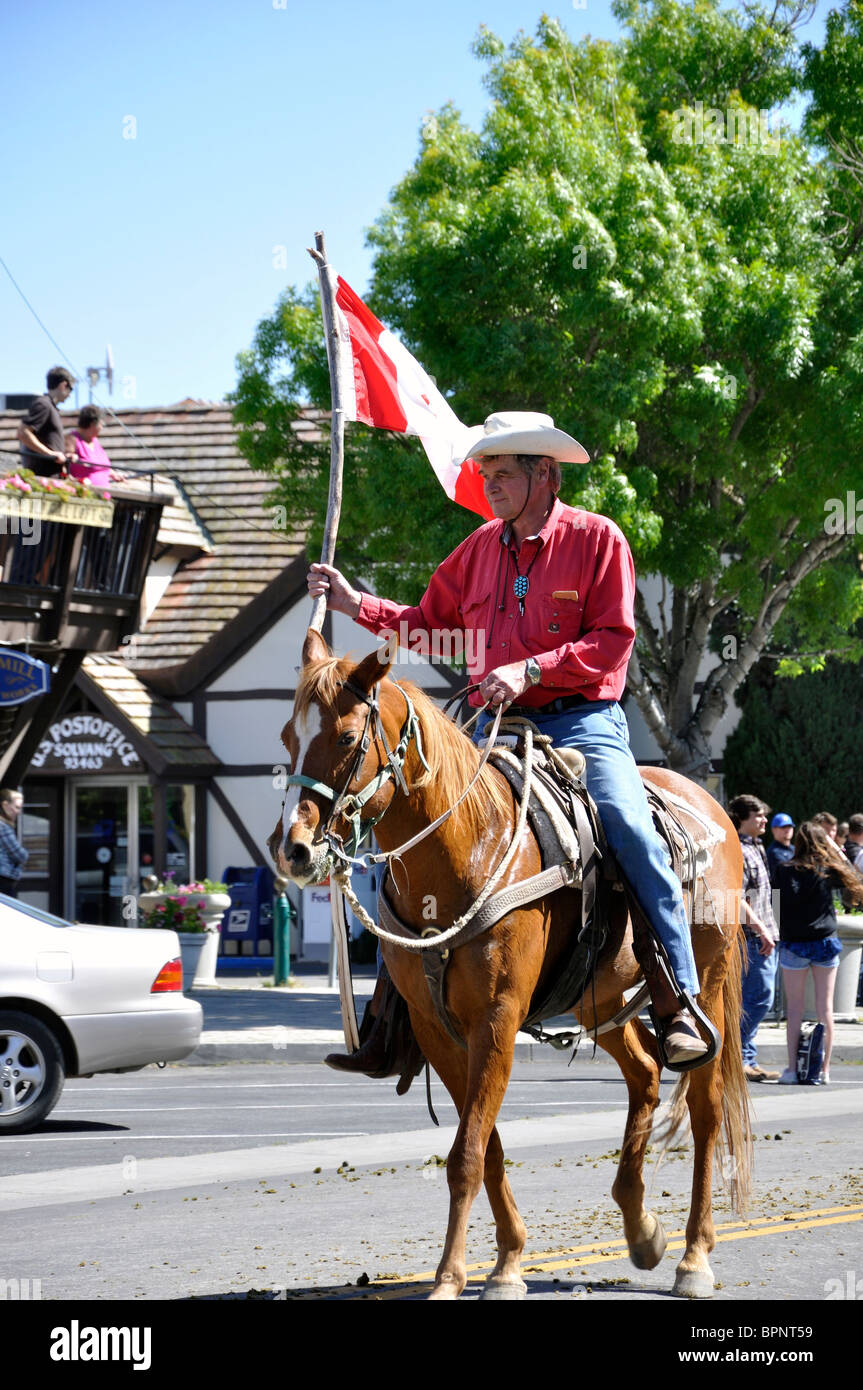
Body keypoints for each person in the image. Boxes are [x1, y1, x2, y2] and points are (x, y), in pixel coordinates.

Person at [309, 410, 711, 1071]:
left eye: (502, 472)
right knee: (416, 818)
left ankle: (674, 1002)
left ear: (545, 474)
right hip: (486, 722)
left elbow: (612, 640)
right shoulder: (474, 551)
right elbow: (425, 624)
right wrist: (359, 607)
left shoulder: (597, 539)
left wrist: (530, 667)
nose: (489, 484)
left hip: (580, 720)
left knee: (628, 830)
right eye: (484, 472)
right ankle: (393, 1020)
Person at [773, 821, 863, 1085]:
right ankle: (824, 1070)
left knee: (796, 1010)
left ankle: (791, 1069)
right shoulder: (828, 870)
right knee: (826, 1009)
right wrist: (836, 848)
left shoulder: (782, 869)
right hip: (824, 941)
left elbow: (775, 905)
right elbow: (854, 876)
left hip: (793, 943)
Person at [728, 794, 779, 1082]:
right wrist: (761, 930)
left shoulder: (757, 846)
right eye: (757, 815)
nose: (764, 820)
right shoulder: (739, 849)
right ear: (741, 818)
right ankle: (738, 1058)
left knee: (757, 999)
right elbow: (736, 897)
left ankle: (746, 1057)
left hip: (765, 934)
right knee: (757, 998)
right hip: (751, 938)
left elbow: (764, 897)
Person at [16, 366, 76, 477]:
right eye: (71, 389)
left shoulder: (50, 407)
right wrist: (50, 454)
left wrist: (64, 456)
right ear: (63, 385)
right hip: (43, 476)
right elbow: (23, 433)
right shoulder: (44, 404)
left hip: (52, 476)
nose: (70, 395)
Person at [65, 405, 112, 488]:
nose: (102, 427)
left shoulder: (95, 441)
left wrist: (114, 474)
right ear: (92, 424)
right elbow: (65, 462)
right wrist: (71, 456)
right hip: (84, 493)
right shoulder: (72, 439)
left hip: (105, 493)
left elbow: (102, 466)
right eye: (101, 424)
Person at [0, 788, 28, 897]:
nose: (18, 812)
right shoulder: (2, 827)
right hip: (3, 880)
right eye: (16, 807)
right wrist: (25, 854)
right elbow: (20, 854)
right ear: (5, 805)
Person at [766, 812, 795, 884]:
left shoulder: (794, 848)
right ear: (774, 830)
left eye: (789, 826)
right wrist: (776, 896)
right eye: (783, 827)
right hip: (778, 893)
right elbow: (775, 882)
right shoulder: (773, 852)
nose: (787, 830)